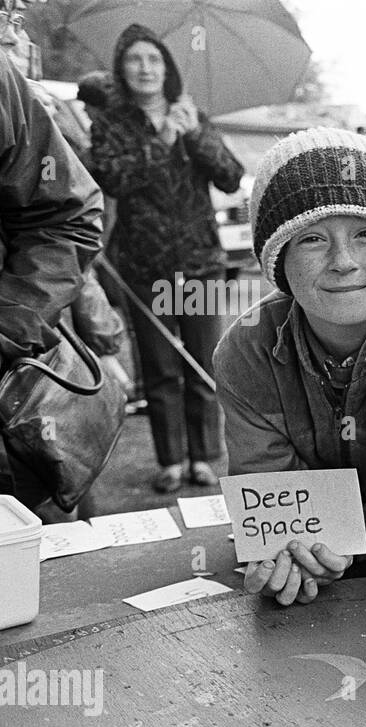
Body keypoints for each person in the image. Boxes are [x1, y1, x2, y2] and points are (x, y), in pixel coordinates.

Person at [213, 128, 366, 607]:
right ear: (278, 262)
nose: (343, 262)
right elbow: (267, 486)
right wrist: (289, 553)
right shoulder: (246, 352)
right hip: (312, 570)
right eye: (312, 239)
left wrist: (351, 539)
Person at [89, 23, 244, 493]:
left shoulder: (192, 114)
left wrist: (194, 134)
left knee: (203, 362)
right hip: (143, 267)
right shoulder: (111, 124)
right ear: (122, 68)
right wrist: (159, 142)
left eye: (154, 59)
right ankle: (171, 460)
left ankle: (204, 456)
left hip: (200, 262)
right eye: (135, 59)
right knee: (159, 369)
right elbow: (113, 180)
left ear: (167, 69)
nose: (145, 68)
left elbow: (231, 177)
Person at [0, 12, 106, 509]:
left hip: (54, 302)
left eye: (16, 17)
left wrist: (12, 324)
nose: (11, 32)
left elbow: (70, 207)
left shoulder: (22, 95)